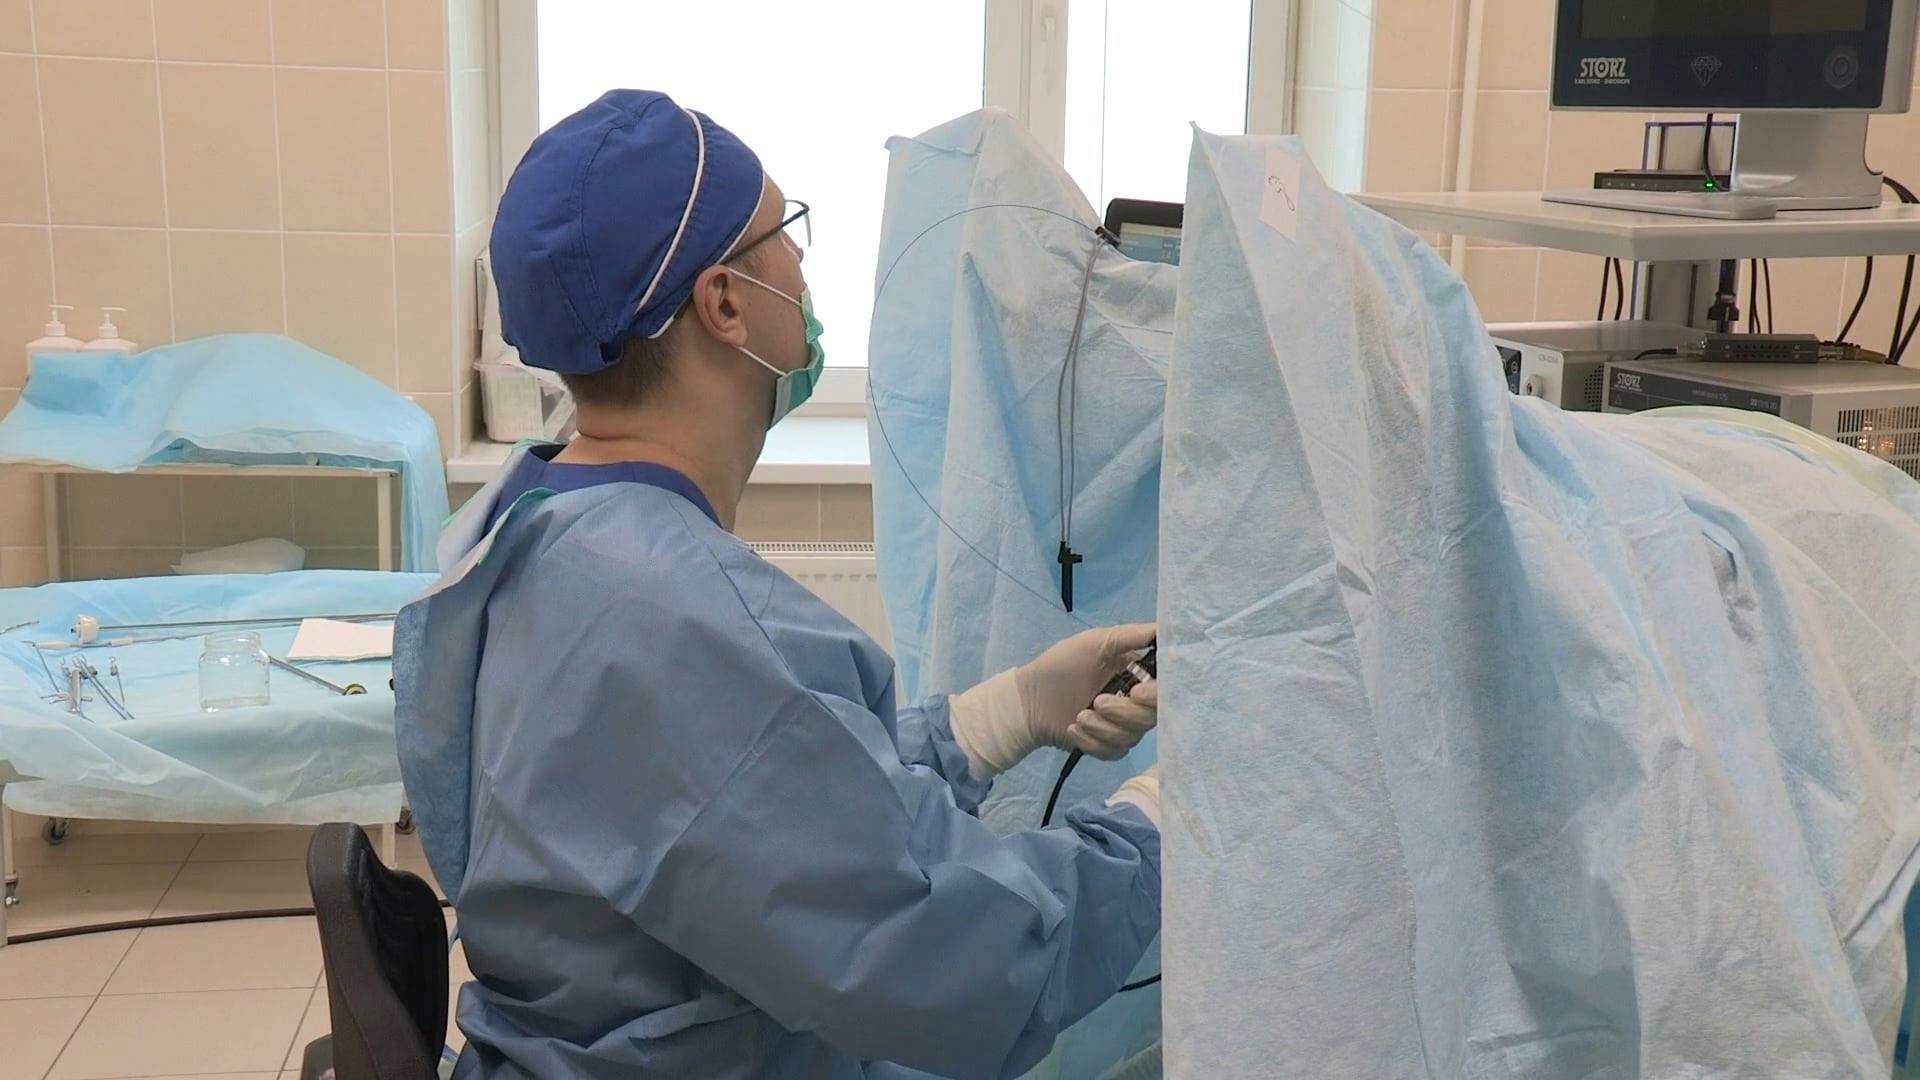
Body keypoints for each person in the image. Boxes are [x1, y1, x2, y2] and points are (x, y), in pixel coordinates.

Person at [393, 89, 1164, 1080]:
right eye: (783, 232)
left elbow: (759, 804)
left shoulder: (536, 525)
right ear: (724, 302)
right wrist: (1152, 825)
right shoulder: (668, 616)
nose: (801, 262)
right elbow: (949, 962)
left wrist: (1001, 716)